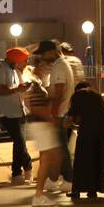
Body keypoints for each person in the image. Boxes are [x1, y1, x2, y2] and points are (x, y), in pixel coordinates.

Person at [35, 40, 75, 189]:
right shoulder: (63, 64)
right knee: (60, 147)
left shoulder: (59, 66)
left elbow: (59, 93)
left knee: (61, 148)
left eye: (43, 54)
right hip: (63, 111)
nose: (43, 58)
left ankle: (68, 179)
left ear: (51, 52)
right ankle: (57, 179)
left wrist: (52, 114)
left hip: (59, 112)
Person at [0, 46, 33, 184]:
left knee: (19, 143)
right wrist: (18, 89)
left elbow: (16, 88)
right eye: (25, 60)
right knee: (20, 141)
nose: (26, 63)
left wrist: (23, 87)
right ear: (17, 58)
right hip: (6, 112)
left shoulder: (13, 69)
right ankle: (26, 168)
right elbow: (1, 90)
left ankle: (17, 173)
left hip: (19, 110)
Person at [66, 81, 104, 198]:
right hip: (102, 128)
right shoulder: (97, 96)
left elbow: (70, 119)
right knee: (97, 157)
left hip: (88, 128)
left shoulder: (77, 95)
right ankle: (93, 190)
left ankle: (76, 191)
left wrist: (59, 128)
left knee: (81, 158)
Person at [26, 84, 64, 207]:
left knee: (50, 158)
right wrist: (50, 119)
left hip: (40, 124)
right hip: (41, 125)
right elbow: (36, 108)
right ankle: (39, 193)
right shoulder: (35, 85)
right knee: (49, 159)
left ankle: (46, 185)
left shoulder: (36, 85)